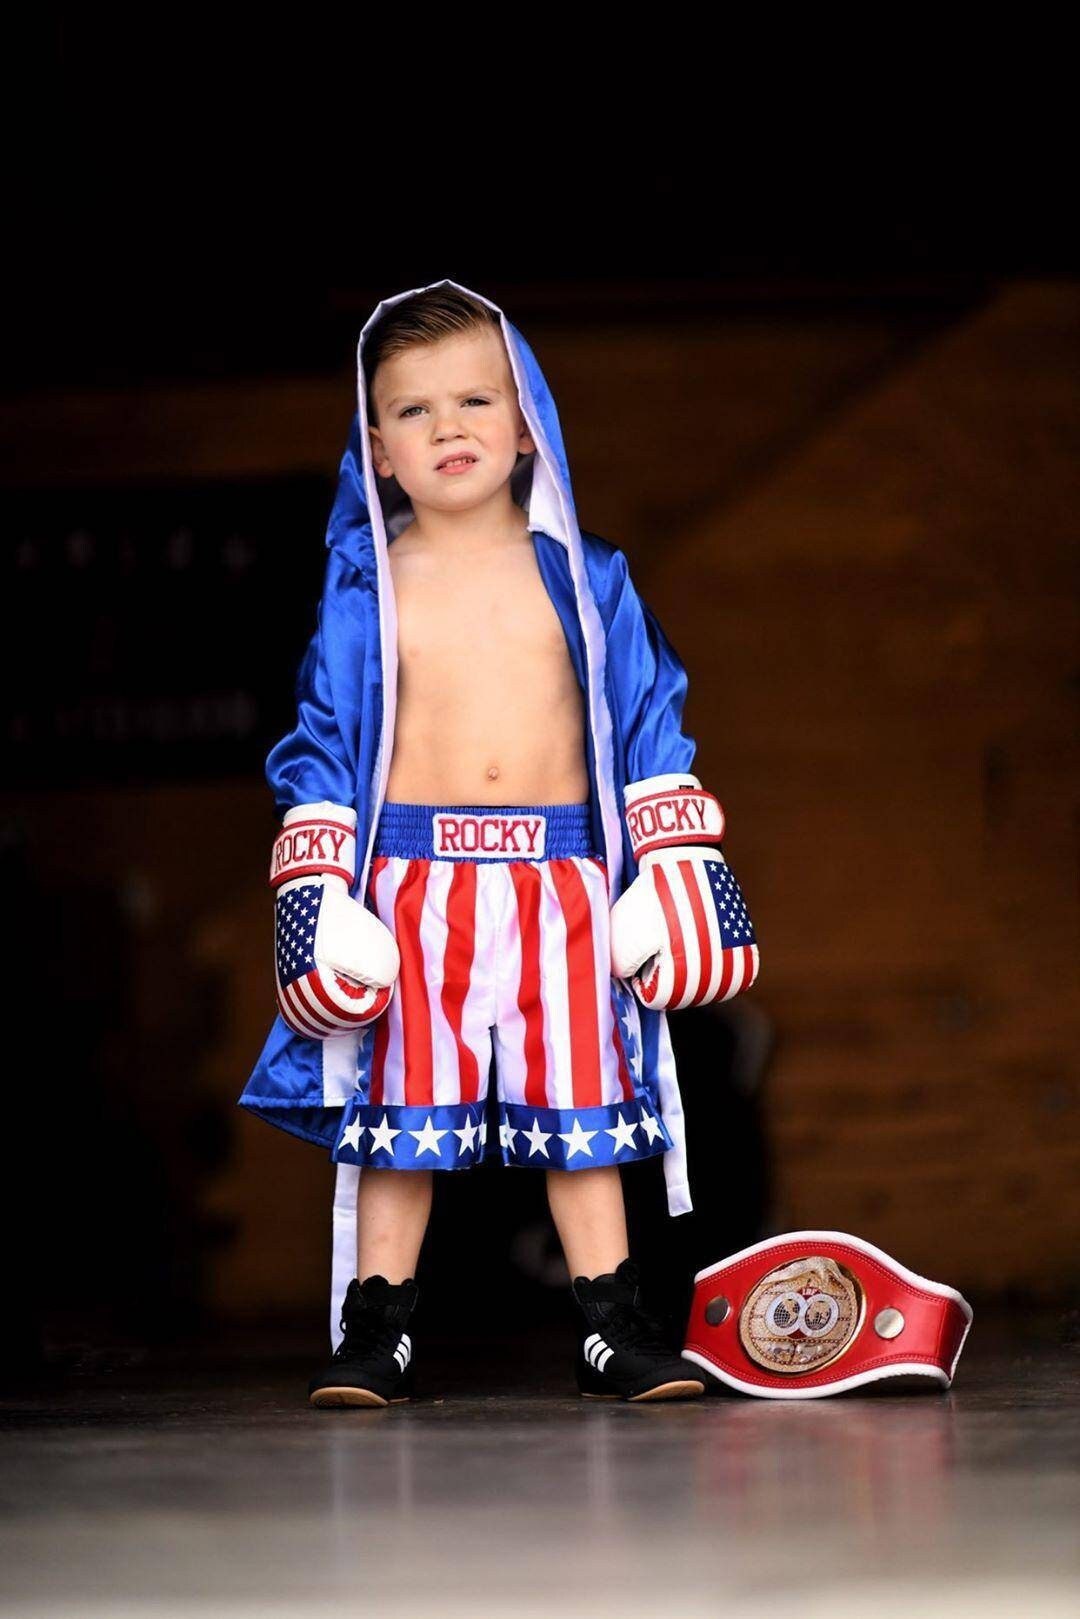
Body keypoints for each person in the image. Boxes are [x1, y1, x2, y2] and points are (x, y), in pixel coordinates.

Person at [237, 278, 760, 1405]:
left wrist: (681, 865)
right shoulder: (362, 592)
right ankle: (375, 1334)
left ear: (528, 421)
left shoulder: (589, 576)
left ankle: (614, 1326)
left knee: (586, 1120)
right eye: (414, 410)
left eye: (477, 398)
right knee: (396, 1127)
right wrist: (317, 895)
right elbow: (323, 739)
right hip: (411, 889)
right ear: (375, 448)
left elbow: (651, 715)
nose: (450, 427)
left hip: (561, 879)